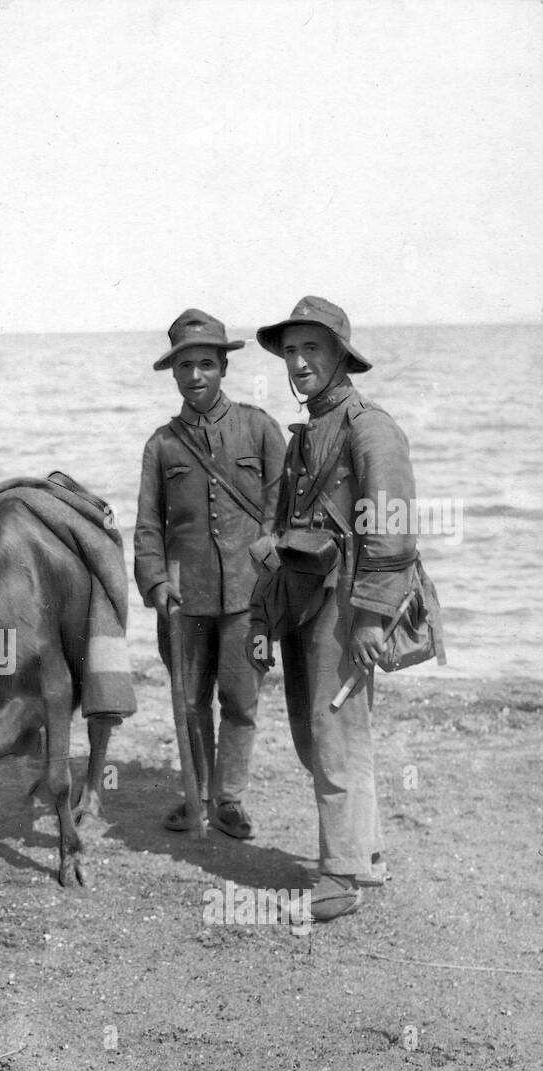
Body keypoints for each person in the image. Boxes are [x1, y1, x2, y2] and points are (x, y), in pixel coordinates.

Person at [252, 296, 416, 924]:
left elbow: (393, 528)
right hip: (303, 599)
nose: (297, 363)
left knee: (332, 732)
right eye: (290, 350)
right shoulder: (308, 433)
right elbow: (281, 530)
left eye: (311, 349)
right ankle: (367, 855)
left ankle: (339, 876)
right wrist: (264, 615)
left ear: (340, 355)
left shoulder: (369, 427)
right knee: (322, 733)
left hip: (346, 602)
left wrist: (372, 615)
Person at [134, 309, 284, 838]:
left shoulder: (260, 428)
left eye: (205, 364)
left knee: (241, 701)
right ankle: (195, 794)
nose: (195, 376)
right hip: (184, 600)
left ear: (223, 366)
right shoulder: (161, 445)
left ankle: (231, 799)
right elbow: (148, 526)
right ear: (173, 374)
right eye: (184, 367)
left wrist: (267, 568)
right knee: (191, 702)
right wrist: (155, 587)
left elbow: (280, 511)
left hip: (249, 598)